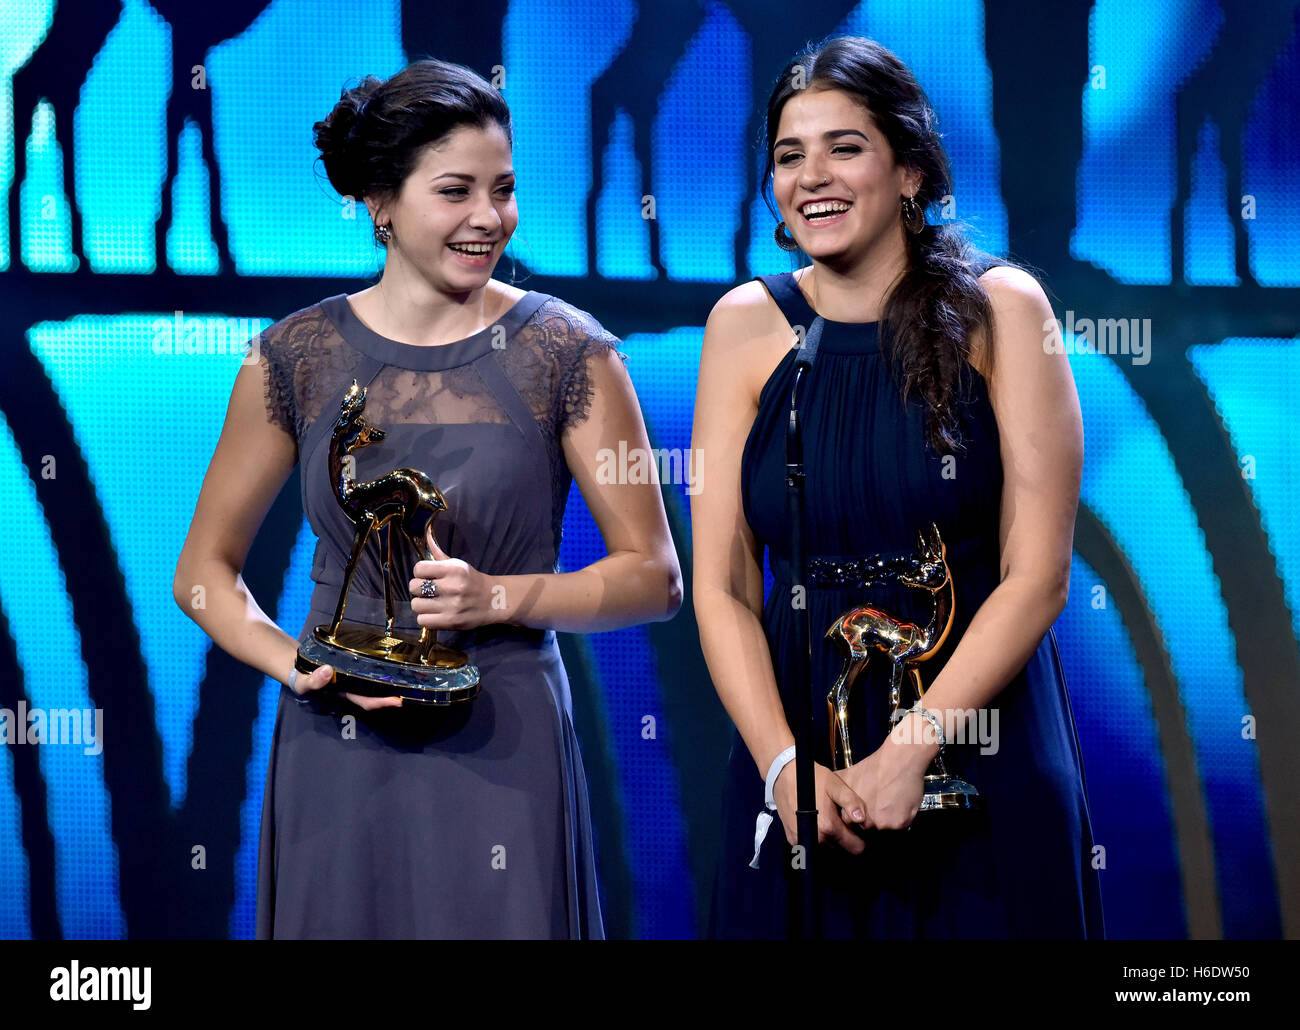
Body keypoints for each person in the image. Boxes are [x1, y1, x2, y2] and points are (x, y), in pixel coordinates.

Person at [172, 59, 681, 939]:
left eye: (505, 189)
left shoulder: (569, 353)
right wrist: (295, 662)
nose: (489, 218)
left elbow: (656, 576)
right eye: (456, 191)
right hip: (337, 752)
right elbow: (201, 575)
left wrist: (503, 597)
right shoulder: (294, 357)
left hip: (504, 739)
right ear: (382, 203)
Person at [692, 36, 1104, 938]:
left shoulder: (1005, 310)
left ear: (910, 170)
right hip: (797, 770)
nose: (812, 177)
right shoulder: (743, 327)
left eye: (845, 147)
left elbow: (1037, 576)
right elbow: (721, 589)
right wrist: (780, 766)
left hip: (981, 762)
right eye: (789, 156)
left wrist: (913, 749)